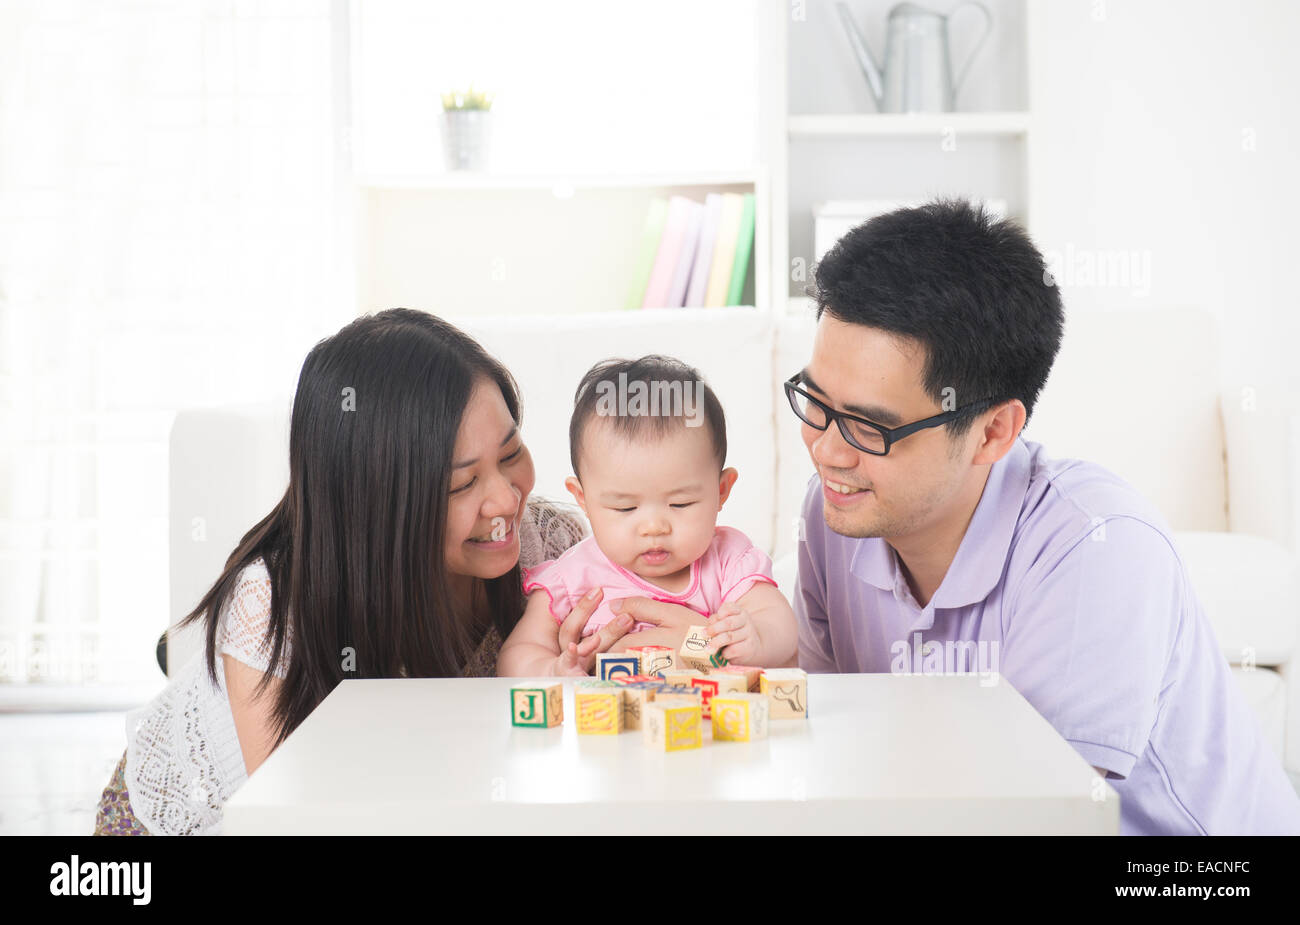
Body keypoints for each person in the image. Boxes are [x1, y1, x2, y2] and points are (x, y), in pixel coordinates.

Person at [786, 198, 1300, 835]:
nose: (826, 450)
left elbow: (1029, 824)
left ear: (993, 431)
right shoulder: (836, 509)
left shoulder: (1095, 547)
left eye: (868, 426)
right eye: (814, 401)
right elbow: (834, 752)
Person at [92, 308, 629, 835]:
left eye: (511, 453)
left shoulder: (551, 547)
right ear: (378, 504)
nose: (506, 499)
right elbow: (299, 823)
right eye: (460, 485)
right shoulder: (275, 604)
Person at [498, 356, 798, 677]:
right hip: (605, 723)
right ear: (583, 499)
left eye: (681, 503)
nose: (654, 527)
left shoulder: (728, 563)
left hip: (705, 723)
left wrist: (756, 638)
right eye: (625, 508)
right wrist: (551, 671)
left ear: (721, 490)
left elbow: (781, 624)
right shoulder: (571, 579)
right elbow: (518, 653)